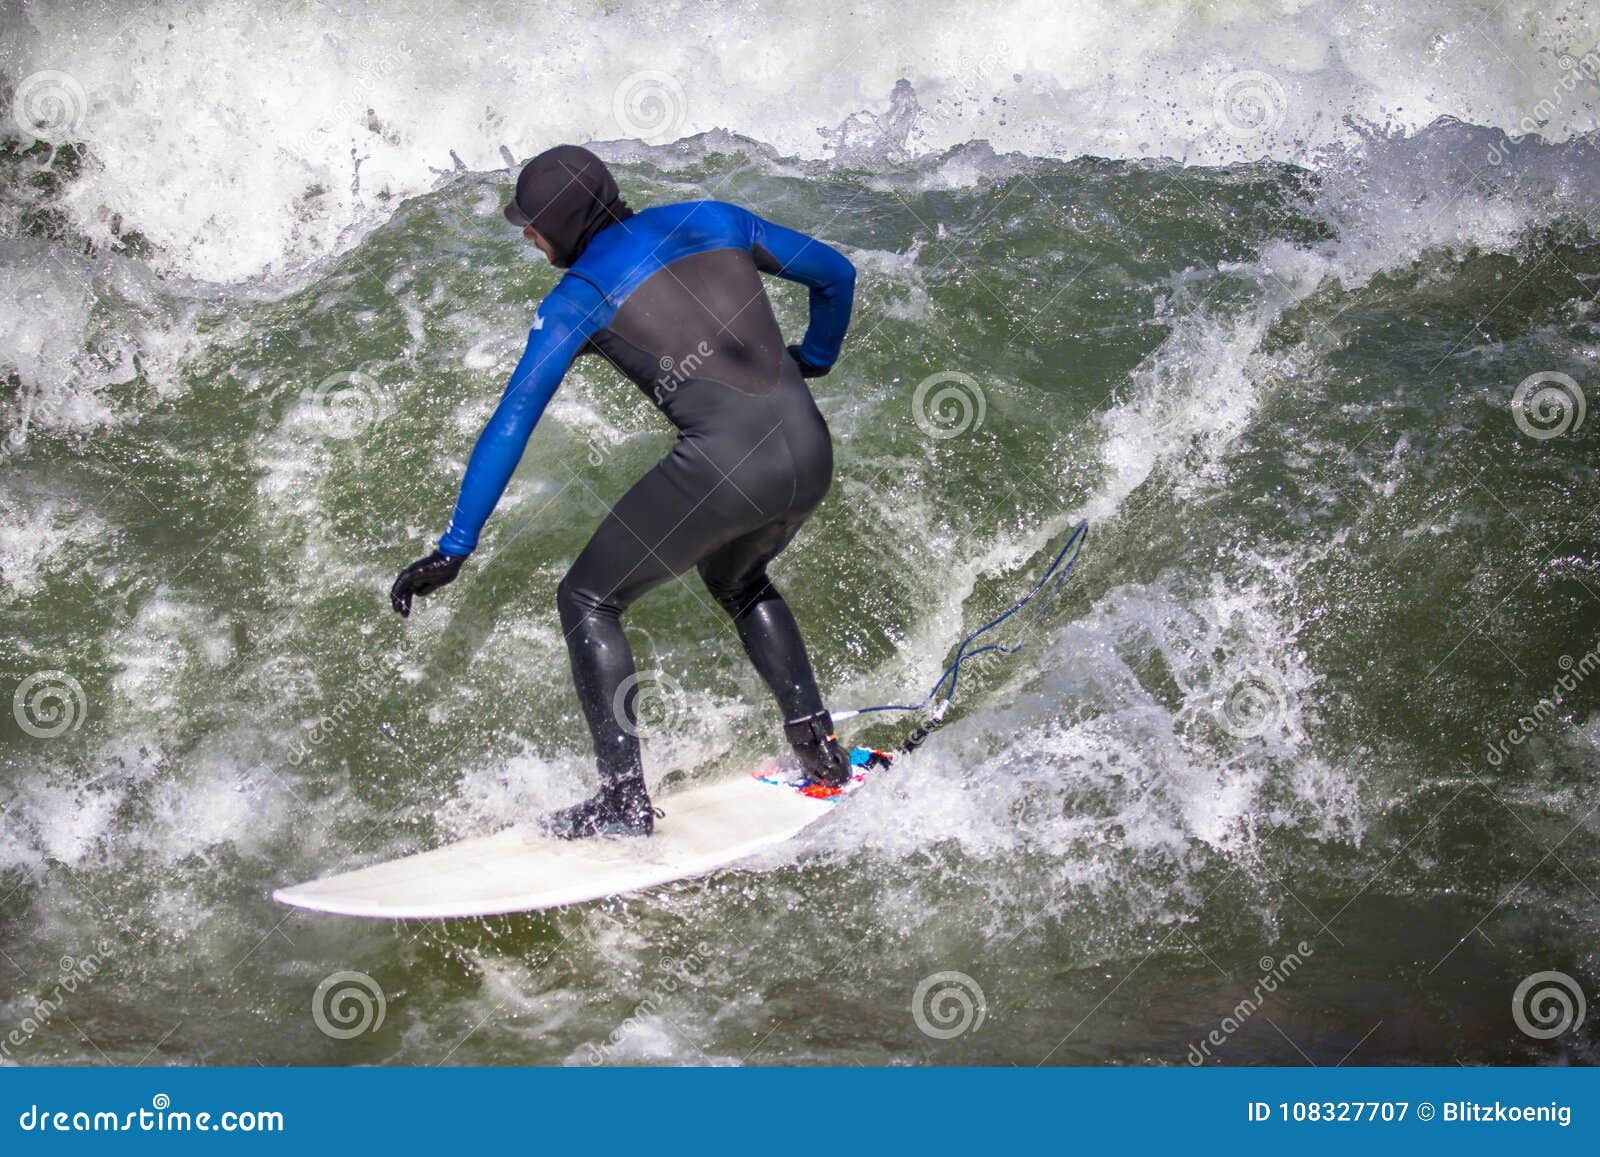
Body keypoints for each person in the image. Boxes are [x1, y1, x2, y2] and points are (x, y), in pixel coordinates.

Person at [390, 145, 858, 839]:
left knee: (585, 598)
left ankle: (621, 797)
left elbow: (513, 417)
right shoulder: (712, 216)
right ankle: (818, 751)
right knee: (739, 577)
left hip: (724, 467)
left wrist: (455, 544)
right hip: (810, 451)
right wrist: (813, 359)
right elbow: (836, 274)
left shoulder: (579, 294)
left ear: (567, 222)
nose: (527, 233)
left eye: (534, 221)